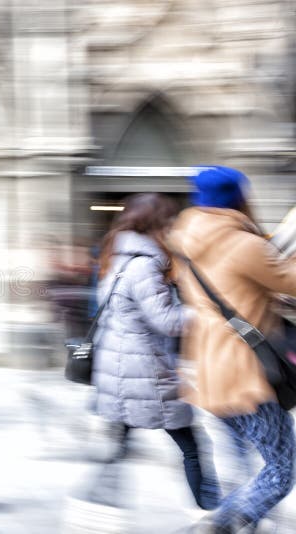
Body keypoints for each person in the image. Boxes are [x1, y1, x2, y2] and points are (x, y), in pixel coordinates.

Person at [171, 166, 296, 532]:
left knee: (260, 460)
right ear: (239, 198)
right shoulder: (243, 244)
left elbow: (237, 289)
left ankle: (227, 522)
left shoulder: (185, 240)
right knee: (280, 471)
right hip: (247, 372)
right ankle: (219, 525)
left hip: (208, 369)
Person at [92, 193, 220, 512]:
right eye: (168, 222)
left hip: (118, 369)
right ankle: (213, 513)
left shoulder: (116, 257)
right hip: (145, 373)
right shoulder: (144, 265)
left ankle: (97, 503)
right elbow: (166, 320)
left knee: (120, 446)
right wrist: (204, 313)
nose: (172, 229)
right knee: (192, 446)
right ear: (156, 225)